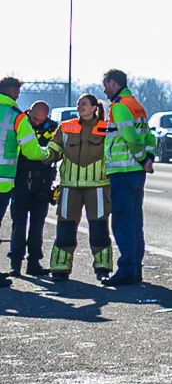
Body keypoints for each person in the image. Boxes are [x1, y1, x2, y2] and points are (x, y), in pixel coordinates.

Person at [50, 94, 115, 283]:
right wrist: (38, 156)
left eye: (84, 104)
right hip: (69, 187)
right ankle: (60, 269)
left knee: (99, 228)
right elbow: (54, 150)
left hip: (98, 187)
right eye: (78, 104)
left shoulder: (106, 128)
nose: (79, 106)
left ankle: (103, 268)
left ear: (95, 107)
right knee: (65, 228)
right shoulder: (66, 126)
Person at [100, 68, 155, 287]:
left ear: (113, 83)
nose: (104, 91)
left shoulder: (120, 106)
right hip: (136, 173)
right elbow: (149, 135)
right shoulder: (137, 105)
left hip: (122, 172)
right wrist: (148, 157)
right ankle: (135, 269)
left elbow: (130, 138)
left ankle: (127, 269)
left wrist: (142, 158)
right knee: (134, 221)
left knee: (122, 221)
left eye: (105, 85)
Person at [9, 100, 58, 276]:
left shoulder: (52, 127)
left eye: (40, 120)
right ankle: (15, 263)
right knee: (19, 223)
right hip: (20, 180)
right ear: (29, 111)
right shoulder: (20, 122)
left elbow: (56, 151)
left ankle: (34, 262)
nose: (37, 123)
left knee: (38, 224)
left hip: (41, 182)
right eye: (35, 119)